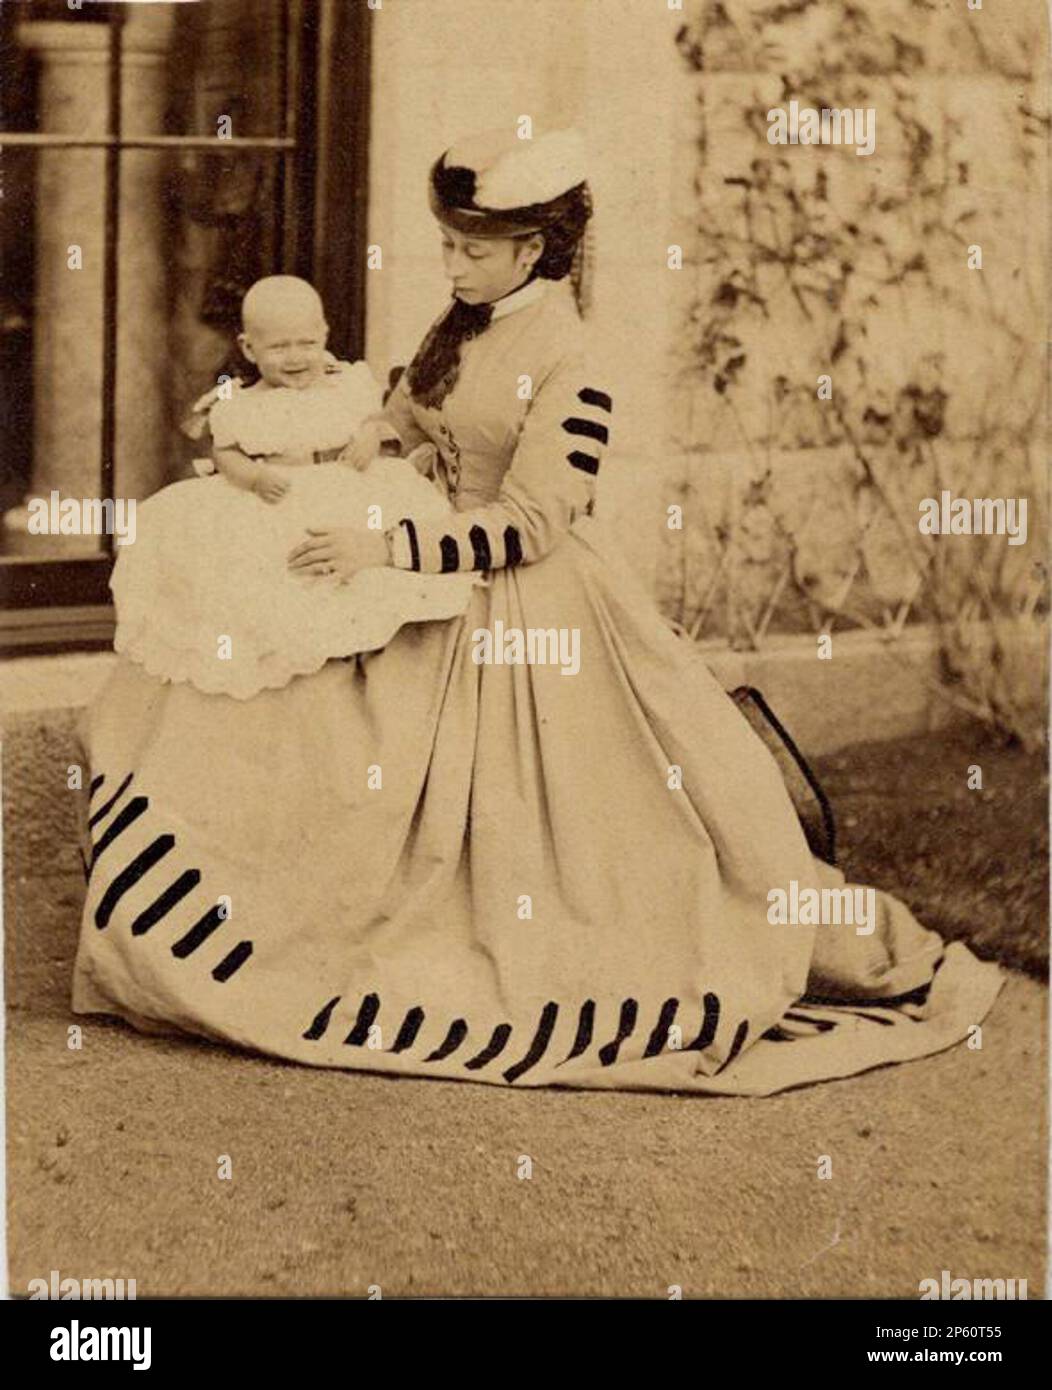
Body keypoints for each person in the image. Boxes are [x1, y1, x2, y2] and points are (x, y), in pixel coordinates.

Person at [73, 128, 1000, 1095]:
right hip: (415, 563)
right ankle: (207, 936)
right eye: (449, 245)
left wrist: (384, 545)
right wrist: (336, 438)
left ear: (533, 249)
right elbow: (408, 409)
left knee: (564, 849)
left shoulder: (573, 359)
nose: (453, 264)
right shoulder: (465, 318)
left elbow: (533, 521)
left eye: (474, 248)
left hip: (519, 601)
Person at [111, 275, 475, 700]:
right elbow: (225, 453)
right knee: (272, 585)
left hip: (347, 492)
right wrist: (253, 477)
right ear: (250, 349)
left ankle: (353, 679)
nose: (296, 357)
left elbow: (380, 425)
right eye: (279, 347)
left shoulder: (347, 384)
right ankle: (290, 682)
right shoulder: (240, 404)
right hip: (276, 496)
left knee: (353, 583)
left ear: (324, 335)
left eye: (306, 343)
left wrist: (369, 438)